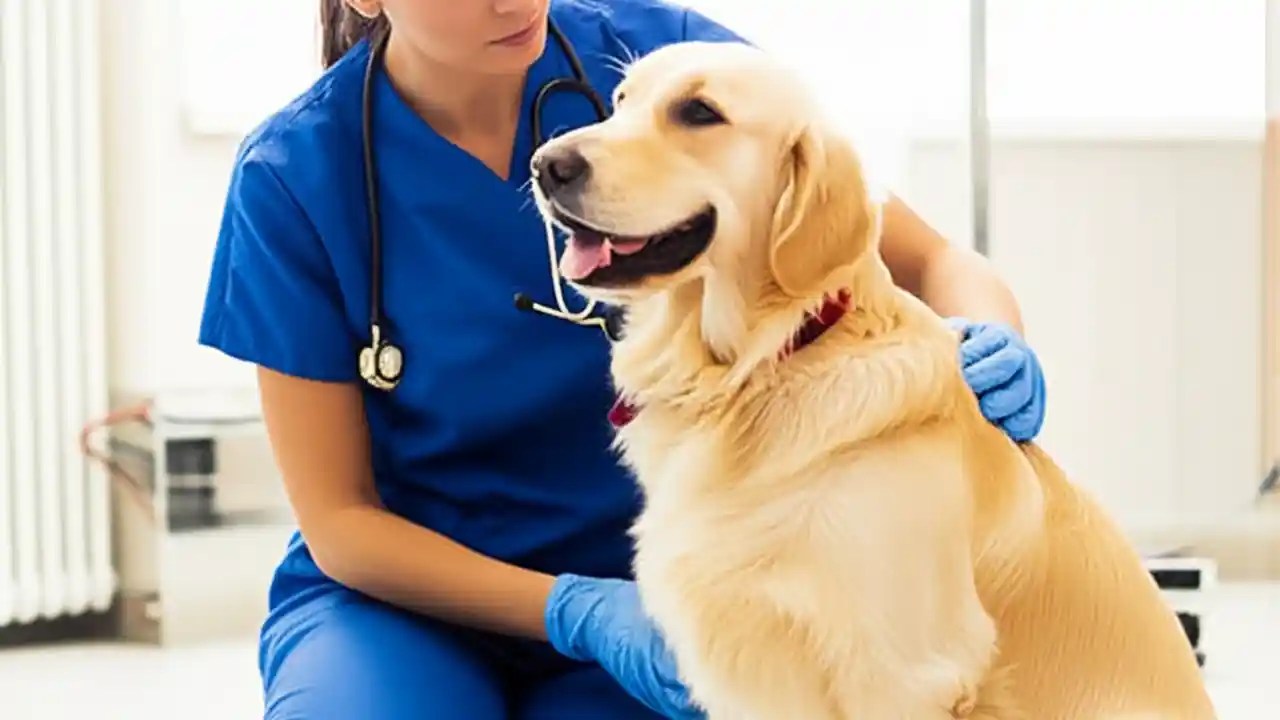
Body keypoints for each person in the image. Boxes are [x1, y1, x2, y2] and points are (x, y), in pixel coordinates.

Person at [198, 0, 1048, 717]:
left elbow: (934, 260)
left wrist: (991, 334)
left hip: (666, 590)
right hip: (403, 607)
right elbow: (340, 525)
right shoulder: (296, 174)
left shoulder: (657, 64)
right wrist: (574, 611)